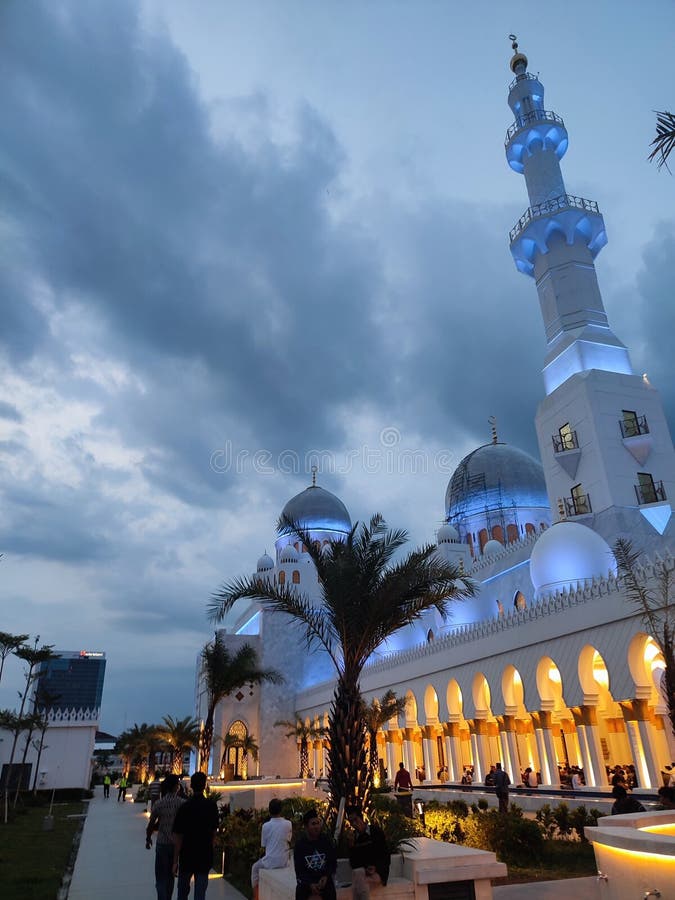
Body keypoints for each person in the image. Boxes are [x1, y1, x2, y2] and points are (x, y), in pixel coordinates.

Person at [172, 772, 220, 900]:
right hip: (204, 855)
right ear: (204, 786)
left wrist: (175, 861)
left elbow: (178, 836)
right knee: (200, 893)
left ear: (191, 786)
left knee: (182, 892)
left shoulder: (185, 807)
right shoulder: (211, 806)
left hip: (186, 856)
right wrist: (212, 846)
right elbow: (214, 831)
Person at [147, 774, 185, 900]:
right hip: (176, 845)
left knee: (160, 877)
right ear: (176, 787)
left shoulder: (159, 803)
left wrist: (148, 838)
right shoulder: (182, 804)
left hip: (162, 844)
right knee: (171, 876)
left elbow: (151, 823)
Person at [251, 798, 292, 900]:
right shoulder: (288, 824)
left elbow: (263, 845)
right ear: (281, 810)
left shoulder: (266, 826)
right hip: (284, 861)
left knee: (254, 868)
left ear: (269, 810)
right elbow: (289, 839)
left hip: (270, 862)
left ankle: (256, 896)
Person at [346, 807, 390, 900]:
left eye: (356, 820)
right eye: (351, 821)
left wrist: (376, 867)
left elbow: (385, 854)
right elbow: (354, 864)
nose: (354, 823)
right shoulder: (354, 837)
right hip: (363, 872)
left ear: (361, 818)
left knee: (358, 884)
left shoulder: (375, 832)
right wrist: (352, 846)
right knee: (359, 874)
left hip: (378, 871)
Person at [293, 808, 337, 899]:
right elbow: (299, 870)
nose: (317, 826)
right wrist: (310, 884)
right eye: (313, 824)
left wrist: (326, 876)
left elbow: (332, 863)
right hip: (307, 883)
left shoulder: (326, 841)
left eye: (318, 823)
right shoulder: (300, 845)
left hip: (324, 880)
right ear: (306, 826)